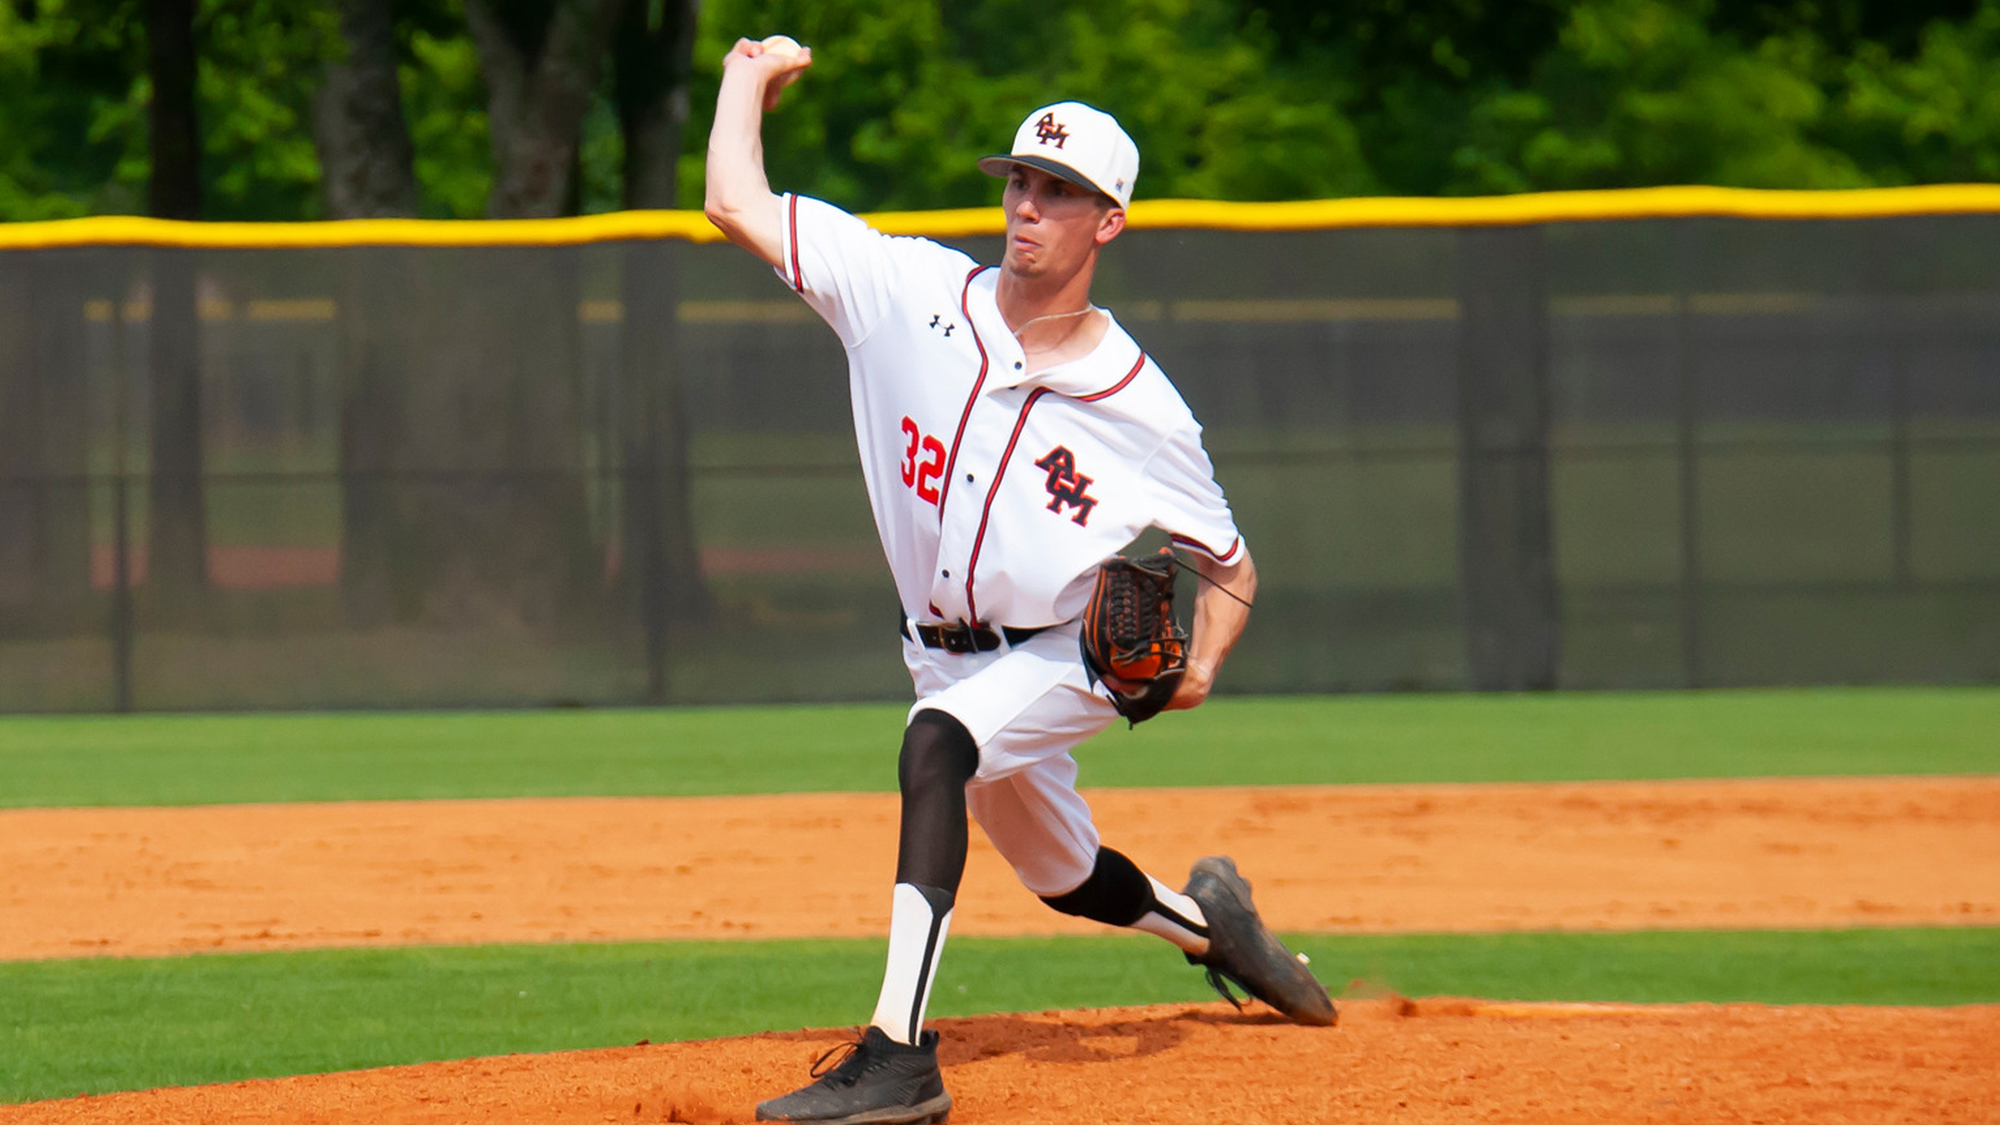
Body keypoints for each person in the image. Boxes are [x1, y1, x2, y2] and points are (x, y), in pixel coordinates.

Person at [703, 35, 1335, 1125]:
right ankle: (1209, 927)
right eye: (1021, 181)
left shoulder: (1143, 409)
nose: (1027, 205)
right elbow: (733, 202)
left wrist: (1201, 671)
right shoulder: (903, 288)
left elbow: (1228, 569)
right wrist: (743, 77)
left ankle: (898, 1058)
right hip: (935, 647)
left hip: (1060, 655)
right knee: (1062, 877)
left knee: (932, 748)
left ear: (1109, 221)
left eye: (1060, 191)